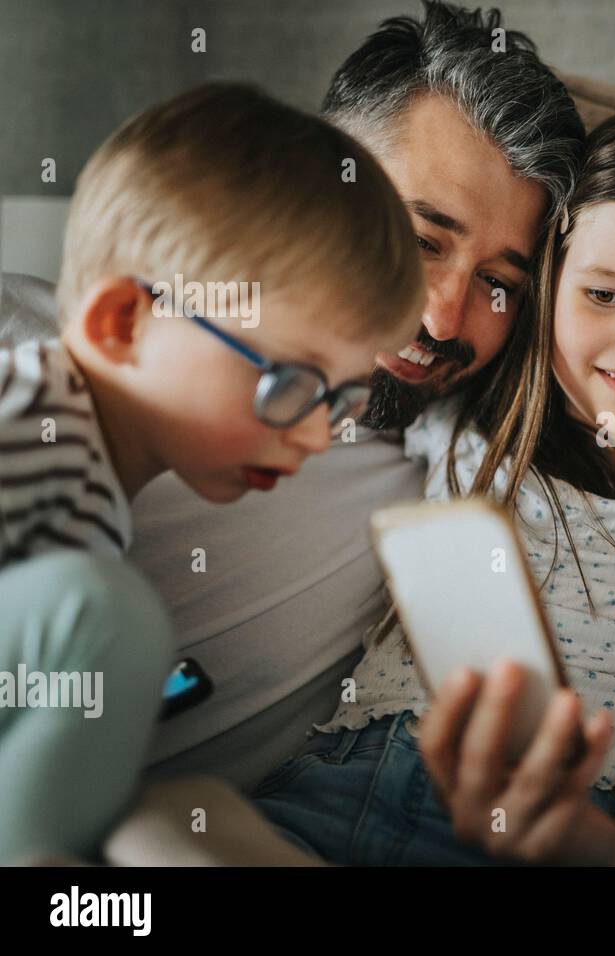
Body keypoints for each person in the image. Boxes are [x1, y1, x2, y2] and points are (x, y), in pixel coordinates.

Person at [249, 104, 615, 865]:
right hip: (356, 778)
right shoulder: (474, 403)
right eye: (602, 295)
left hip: (564, 829)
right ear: (546, 287)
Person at [127, 1, 585, 790]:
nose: (444, 313)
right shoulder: (42, 343)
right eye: (418, 240)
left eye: (499, 283)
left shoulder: (444, 482)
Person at [0, 82, 425, 864]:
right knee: (107, 620)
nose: (312, 437)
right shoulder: (25, 411)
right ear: (123, 322)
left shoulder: (93, 477)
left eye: (342, 398)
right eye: (288, 384)